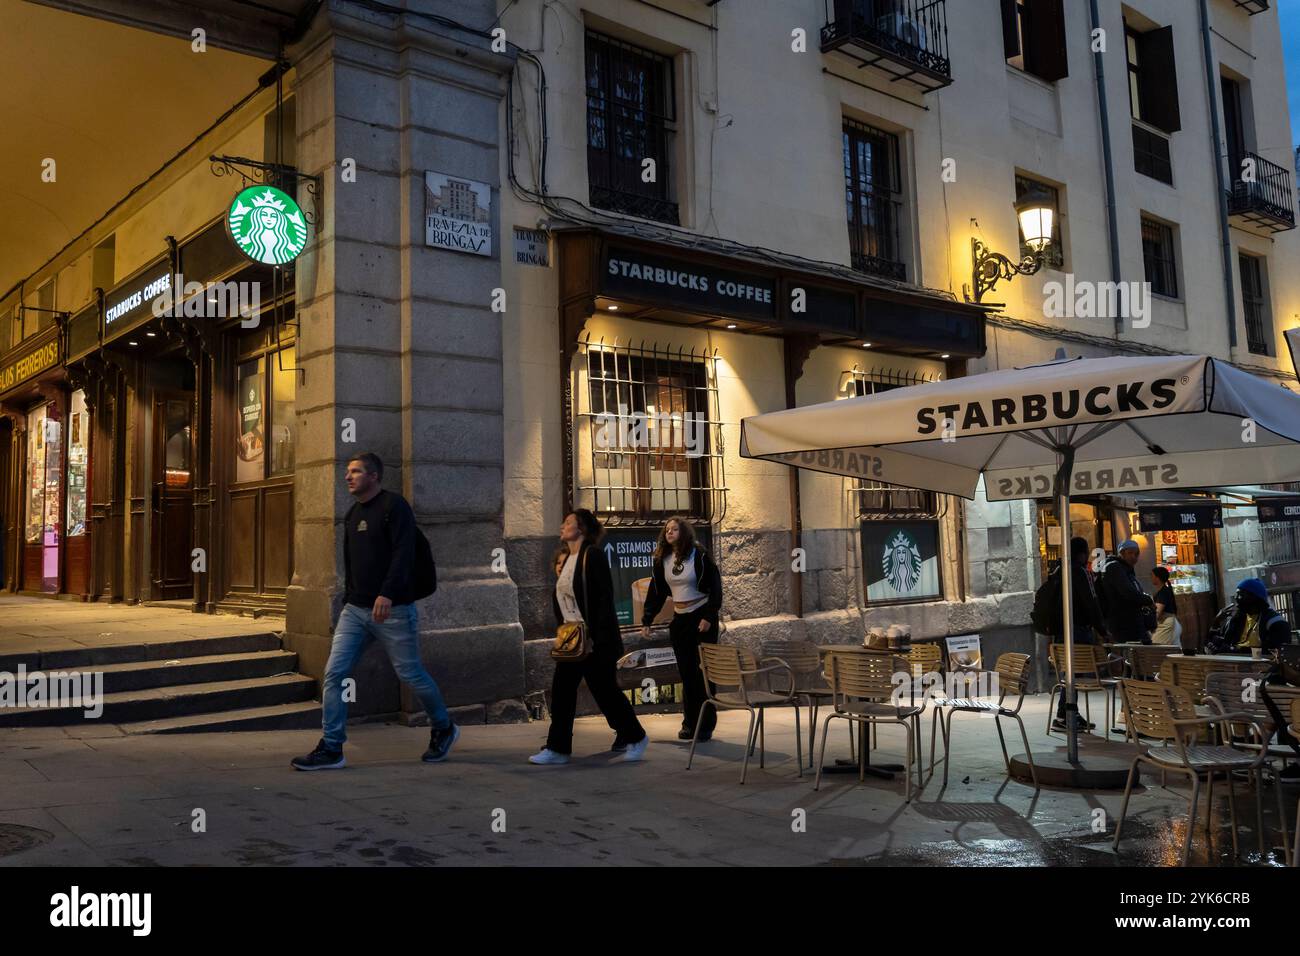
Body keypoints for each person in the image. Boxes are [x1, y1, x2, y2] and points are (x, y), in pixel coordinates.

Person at [292, 453, 458, 770]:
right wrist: (350, 599)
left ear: (374, 476)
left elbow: (403, 553)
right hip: (355, 611)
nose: (348, 476)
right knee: (334, 674)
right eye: (348, 471)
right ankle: (332, 747)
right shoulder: (353, 513)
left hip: (393, 610)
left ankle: (444, 726)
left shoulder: (394, 507)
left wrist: (387, 593)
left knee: (411, 674)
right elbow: (352, 564)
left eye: (356, 471)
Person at [529, 509, 648, 765]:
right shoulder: (568, 558)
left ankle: (636, 736)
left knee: (605, 691)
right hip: (571, 637)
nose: (562, 526)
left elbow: (603, 600)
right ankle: (558, 749)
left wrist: (595, 636)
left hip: (594, 639)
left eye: (568, 522)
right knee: (562, 691)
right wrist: (563, 635)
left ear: (581, 528)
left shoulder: (591, 556)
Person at [640, 517, 724, 742]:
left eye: (674, 529)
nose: (669, 532)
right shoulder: (663, 559)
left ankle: (705, 725)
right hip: (680, 619)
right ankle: (689, 723)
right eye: (667, 529)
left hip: (701, 616)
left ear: (684, 532)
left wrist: (709, 615)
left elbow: (715, 587)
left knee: (703, 672)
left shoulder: (699, 555)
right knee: (687, 674)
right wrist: (647, 618)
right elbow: (656, 591)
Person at [1052, 536, 1110, 732]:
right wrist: (1103, 630)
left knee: (1068, 675)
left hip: (1060, 632)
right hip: (1078, 631)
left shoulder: (1058, 572)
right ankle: (1065, 714)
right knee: (1074, 674)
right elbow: (1092, 604)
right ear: (1083, 553)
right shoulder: (1080, 573)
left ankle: (1069, 713)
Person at [1100, 539, 1155, 645]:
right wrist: (1148, 600)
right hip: (1122, 622)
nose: (1134, 557)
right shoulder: (1114, 567)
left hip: (1130, 622)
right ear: (1121, 553)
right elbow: (1128, 592)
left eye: (1136, 554)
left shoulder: (1126, 569)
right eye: (1130, 553)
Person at [1220, 578, 1291, 654]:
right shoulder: (1236, 619)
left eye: (1240, 594)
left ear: (1254, 598)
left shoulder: (1276, 623)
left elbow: (1276, 653)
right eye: (1236, 594)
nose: (1236, 598)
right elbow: (1223, 644)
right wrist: (1216, 623)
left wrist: (1236, 650)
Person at [1149, 567, 1180, 646]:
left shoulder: (1163, 592)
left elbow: (1157, 612)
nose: (1150, 578)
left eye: (1152, 575)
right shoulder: (1163, 590)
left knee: (1157, 648)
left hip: (1165, 623)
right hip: (1167, 622)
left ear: (1157, 578)